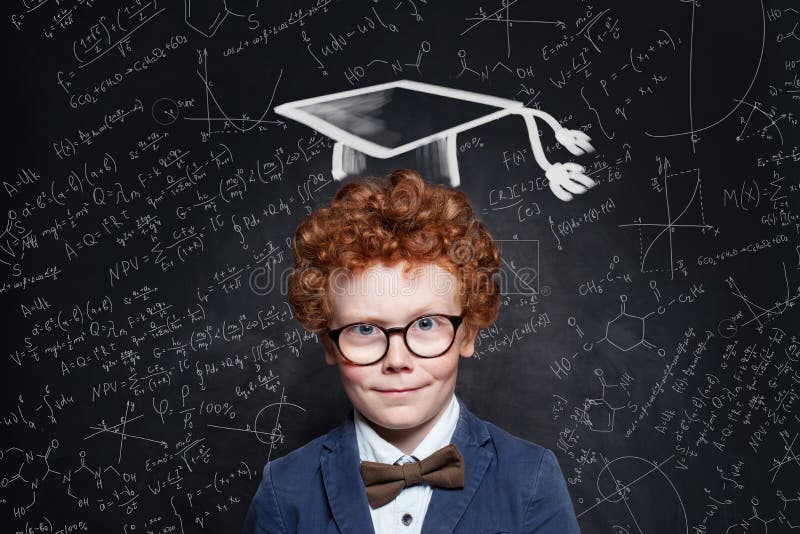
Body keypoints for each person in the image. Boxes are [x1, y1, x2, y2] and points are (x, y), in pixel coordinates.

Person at [242, 169, 580, 533]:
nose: (397, 361)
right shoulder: (284, 492)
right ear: (329, 342)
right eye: (365, 329)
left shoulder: (531, 480)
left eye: (426, 324)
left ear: (468, 333)